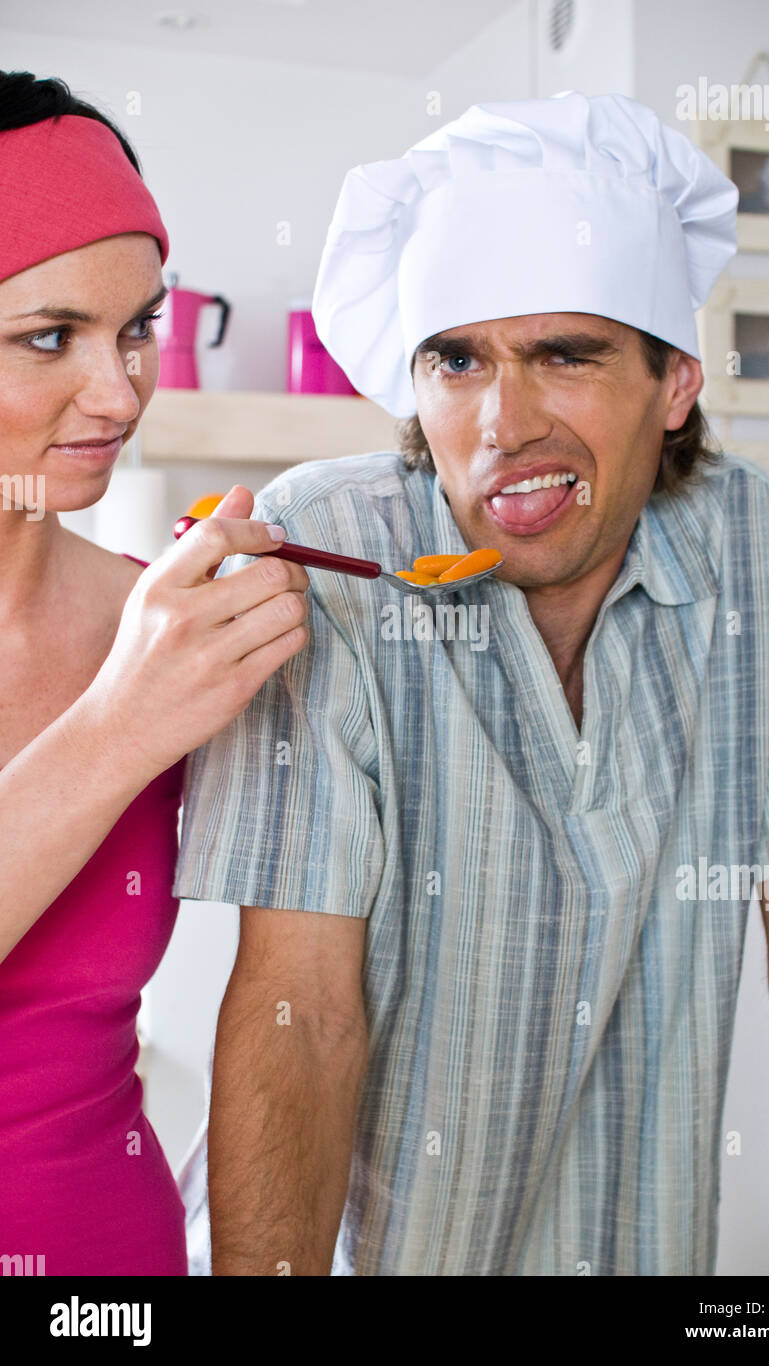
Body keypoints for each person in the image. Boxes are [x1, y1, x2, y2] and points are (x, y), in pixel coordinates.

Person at [174, 91, 769, 1276]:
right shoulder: (323, 550)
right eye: (457, 359)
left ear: (676, 384)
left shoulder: (756, 542)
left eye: (565, 354)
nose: (504, 420)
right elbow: (302, 1012)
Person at [0, 70, 310, 1276]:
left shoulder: (158, 615)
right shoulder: (151, 671)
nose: (122, 389)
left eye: (138, 326)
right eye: (48, 337)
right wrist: (123, 723)